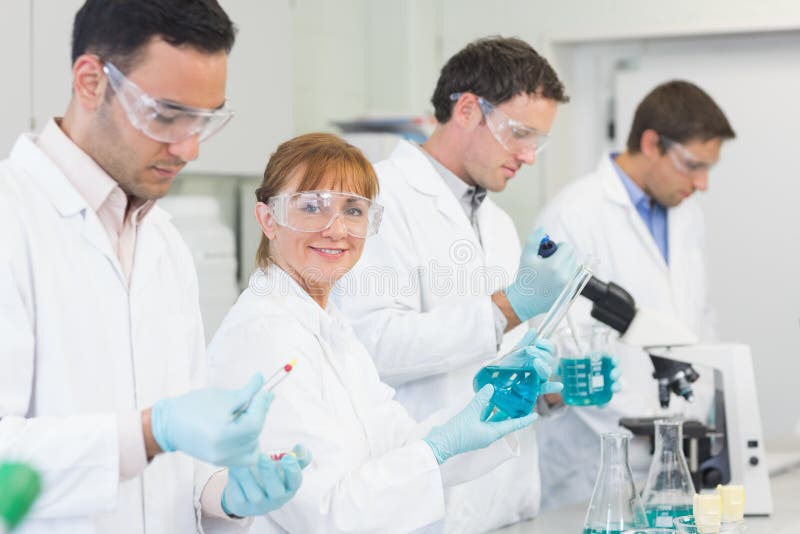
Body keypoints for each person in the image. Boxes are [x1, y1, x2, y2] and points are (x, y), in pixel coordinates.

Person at [0, 1, 308, 532]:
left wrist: (226, 495)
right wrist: (151, 432)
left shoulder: (165, 241)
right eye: (166, 114)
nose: (188, 147)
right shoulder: (12, 219)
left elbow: (180, 472)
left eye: (205, 120)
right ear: (91, 81)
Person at [206, 133, 558, 533]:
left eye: (353, 210)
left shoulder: (329, 327)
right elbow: (326, 512)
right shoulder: (265, 336)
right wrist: (437, 449)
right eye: (311, 207)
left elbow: (394, 440)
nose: (336, 229)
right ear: (269, 219)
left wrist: (490, 406)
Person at [333, 36, 582, 532]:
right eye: (520, 133)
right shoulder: (376, 201)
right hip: (428, 502)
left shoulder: (499, 224)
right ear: (467, 109)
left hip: (505, 502)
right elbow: (371, 348)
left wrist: (547, 391)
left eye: (538, 141)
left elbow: (489, 361)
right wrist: (504, 309)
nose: (529, 156)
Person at [534, 80, 736, 510]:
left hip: (678, 455)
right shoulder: (573, 214)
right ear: (650, 143)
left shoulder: (687, 216)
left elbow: (698, 318)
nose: (702, 183)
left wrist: (693, 423)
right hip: (593, 466)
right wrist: (659, 425)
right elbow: (567, 349)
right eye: (693, 165)